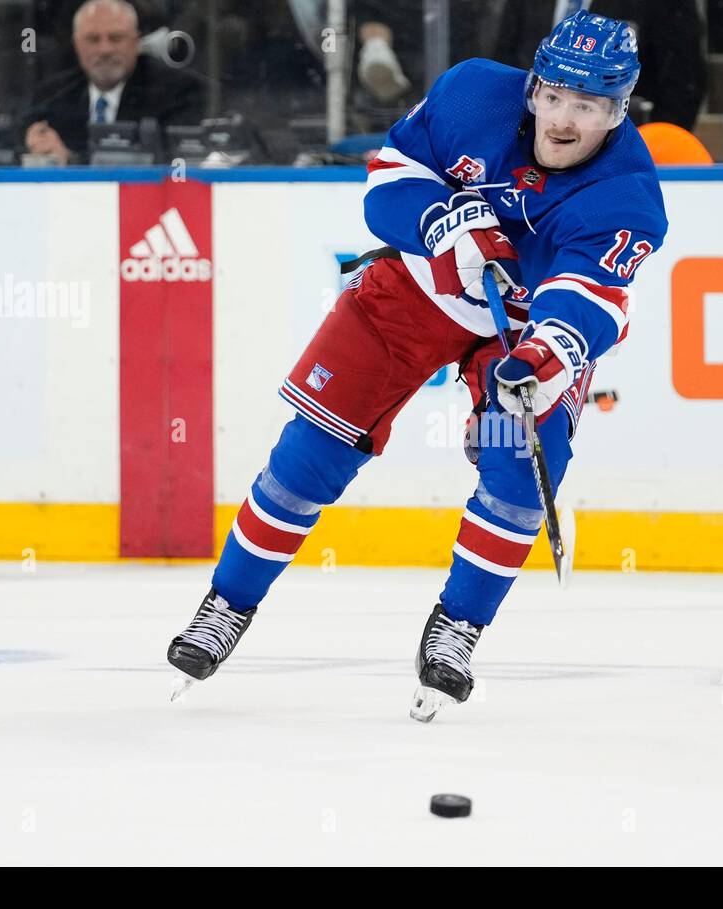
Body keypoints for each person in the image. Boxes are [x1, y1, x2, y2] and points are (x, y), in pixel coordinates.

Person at [165, 11, 668, 721]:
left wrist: (537, 361)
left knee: (520, 474)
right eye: (553, 95)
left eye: (586, 106)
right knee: (312, 453)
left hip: (516, 337)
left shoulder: (627, 196)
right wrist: (444, 222)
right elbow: (388, 180)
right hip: (415, 293)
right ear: (532, 87)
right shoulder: (471, 96)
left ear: (617, 112)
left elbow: (587, 302)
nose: (562, 119)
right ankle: (225, 606)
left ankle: (457, 627)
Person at [20, 0, 204, 163]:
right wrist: (37, 144)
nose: (105, 49)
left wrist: (72, 160)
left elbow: (168, 159)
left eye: (116, 38)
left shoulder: (176, 91)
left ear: (135, 42)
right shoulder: (52, 95)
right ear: (77, 44)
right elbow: (13, 147)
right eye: (93, 39)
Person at [492, 0, 706, 130]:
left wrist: (639, 147)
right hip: (530, 142)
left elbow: (683, 86)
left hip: (619, 152)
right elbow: (505, 65)